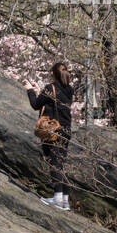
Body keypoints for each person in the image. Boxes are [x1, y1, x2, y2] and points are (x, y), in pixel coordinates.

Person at [25, 62, 74, 211]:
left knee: (54, 163)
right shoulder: (70, 89)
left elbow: (35, 104)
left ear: (53, 73)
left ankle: (57, 197)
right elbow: (52, 102)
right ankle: (64, 200)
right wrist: (39, 91)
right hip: (65, 130)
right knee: (61, 162)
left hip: (52, 131)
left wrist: (29, 91)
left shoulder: (50, 88)